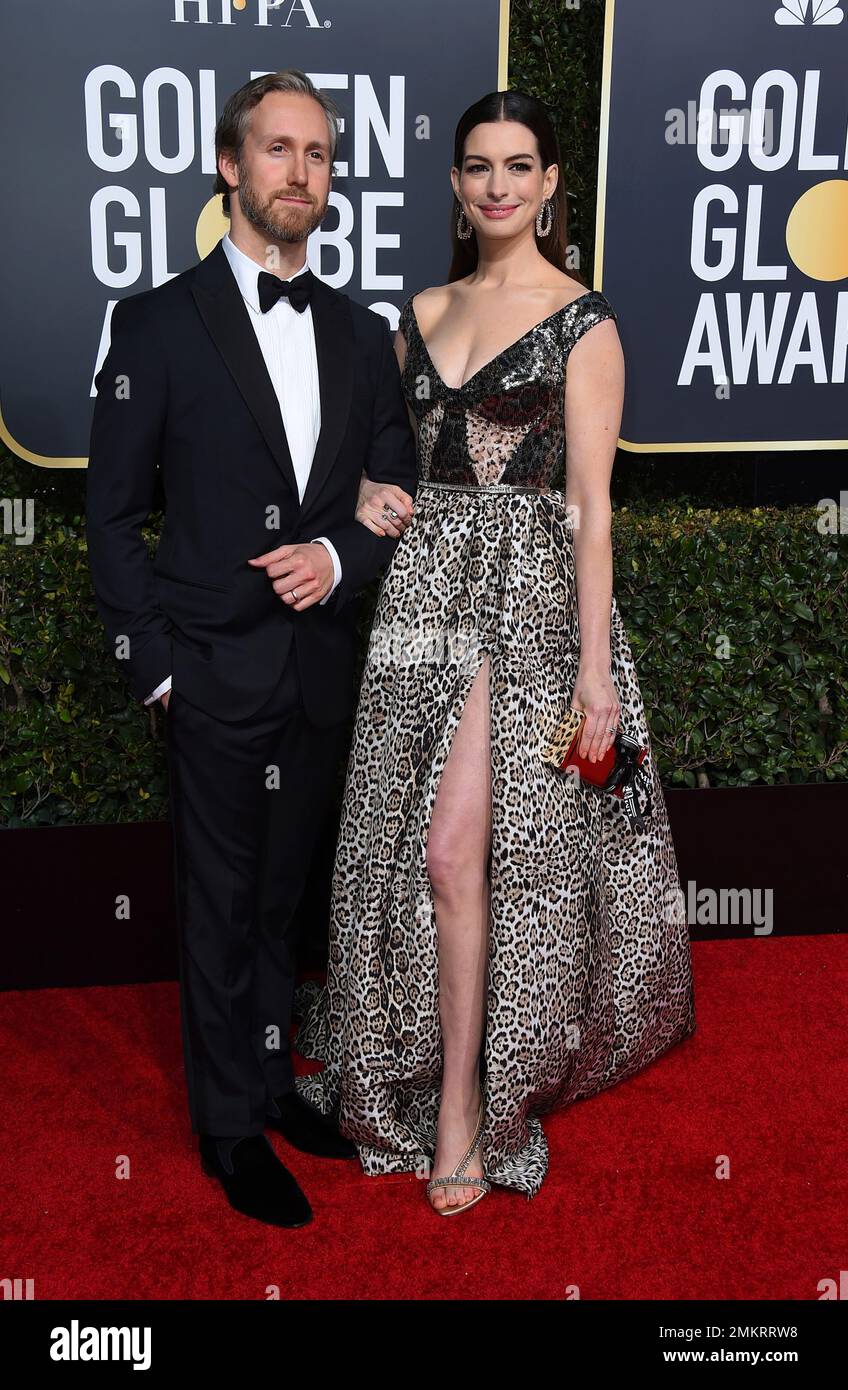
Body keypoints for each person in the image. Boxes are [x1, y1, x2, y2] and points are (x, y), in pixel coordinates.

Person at [295, 88, 696, 1214]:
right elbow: (386, 460)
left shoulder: (585, 321)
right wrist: (374, 494)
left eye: (520, 166)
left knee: (455, 847)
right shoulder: (416, 309)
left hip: (524, 607)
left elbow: (590, 507)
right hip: (420, 592)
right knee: (404, 845)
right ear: (454, 184)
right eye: (477, 167)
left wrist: (590, 669)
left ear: (552, 182)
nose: (498, 187)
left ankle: (469, 1108)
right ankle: (411, 1056)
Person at [85, 69, 417, 1229]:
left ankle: (277, 1081)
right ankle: (228, 1125)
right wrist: (158, 668)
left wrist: (334, 560)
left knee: (284, 901)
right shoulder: (159, 325)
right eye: (275, 150)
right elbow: (113, 516)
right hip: (211, 674)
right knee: (219, 904)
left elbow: (394, 488)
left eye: (318, 154)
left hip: (320, 666)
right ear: (231, 167)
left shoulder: (363, 335)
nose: (299, 172)